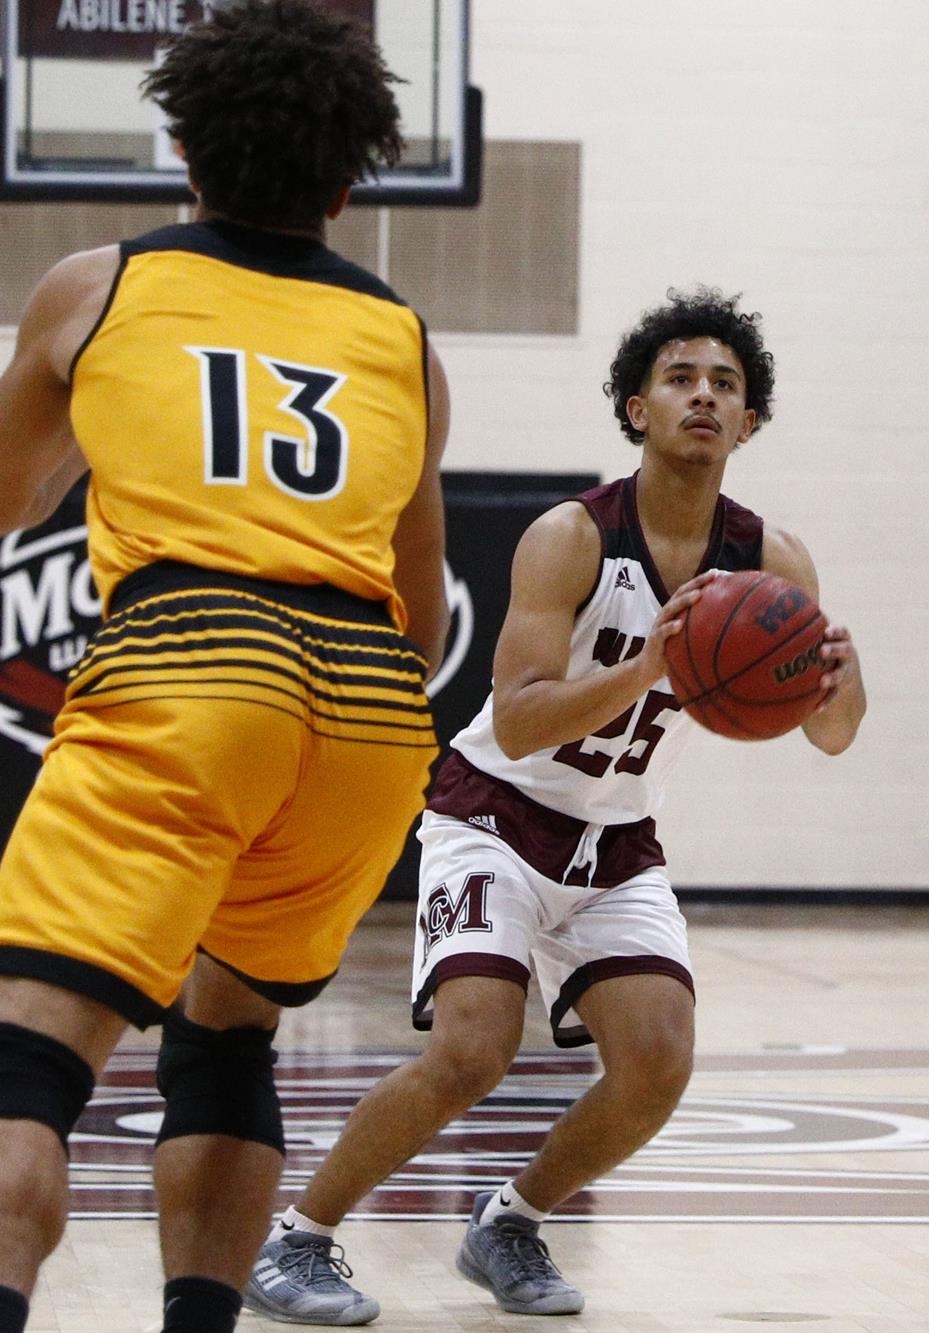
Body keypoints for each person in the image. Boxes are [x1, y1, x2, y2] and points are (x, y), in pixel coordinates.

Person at [0, 4, 450, 1332]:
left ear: (182, 146)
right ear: (351, 174)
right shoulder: (405, 339)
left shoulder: (99, 283)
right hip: (374, 713)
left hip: (194, 661)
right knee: (227, 1037)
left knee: (26, 1058)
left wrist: (87, 421)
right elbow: (429, 611)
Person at [245, 288, 867, 1324]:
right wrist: (649, 666)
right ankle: (295, 1239)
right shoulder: (569, 537)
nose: (702, 397)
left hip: (616, 838)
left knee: (660, 1060)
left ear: (750, 420)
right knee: (471, 1051)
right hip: (493, 810)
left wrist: (839, 676)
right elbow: (521, 719)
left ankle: (510, 1222)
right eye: (679, 379)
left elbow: (833, 734)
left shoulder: (773, 562)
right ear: (635, 409)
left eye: (725, 384)